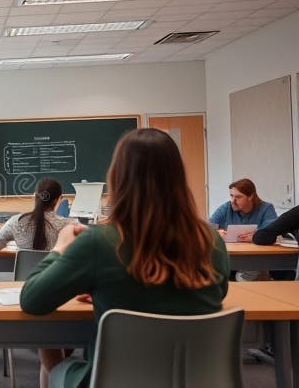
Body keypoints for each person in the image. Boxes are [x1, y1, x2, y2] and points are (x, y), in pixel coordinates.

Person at [20, 129, 229, 388]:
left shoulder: (99, 241)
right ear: (178, 178)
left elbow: (32, 300)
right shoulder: (211, 239)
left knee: (48, 341)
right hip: (195, 378)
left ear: (118, 178)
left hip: (114, 380)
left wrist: (61, 247)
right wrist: (109, 290)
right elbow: (217, 293)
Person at [0, 178, 76, 388]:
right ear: (59, 200)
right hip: (59, 297)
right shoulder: (68, 226)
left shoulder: (16, 221)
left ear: (34, 196)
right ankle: (60, 363)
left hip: (22, 295)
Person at [0, 178, 76, 252]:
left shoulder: (16, 222)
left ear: (34, 196)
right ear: (57, 200)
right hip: (56, 274)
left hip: (25, 274)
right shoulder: (70, 225)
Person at [209, 178, 277, 242]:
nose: (233, 201)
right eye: (232, 196)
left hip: (258, 252)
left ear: (250, 197)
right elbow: (206, 230)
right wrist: (217, 233)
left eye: (238, 197)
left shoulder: (266, 209)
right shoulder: (226, 208)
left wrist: (254, 236)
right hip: (232, 252)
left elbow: (272, 232)